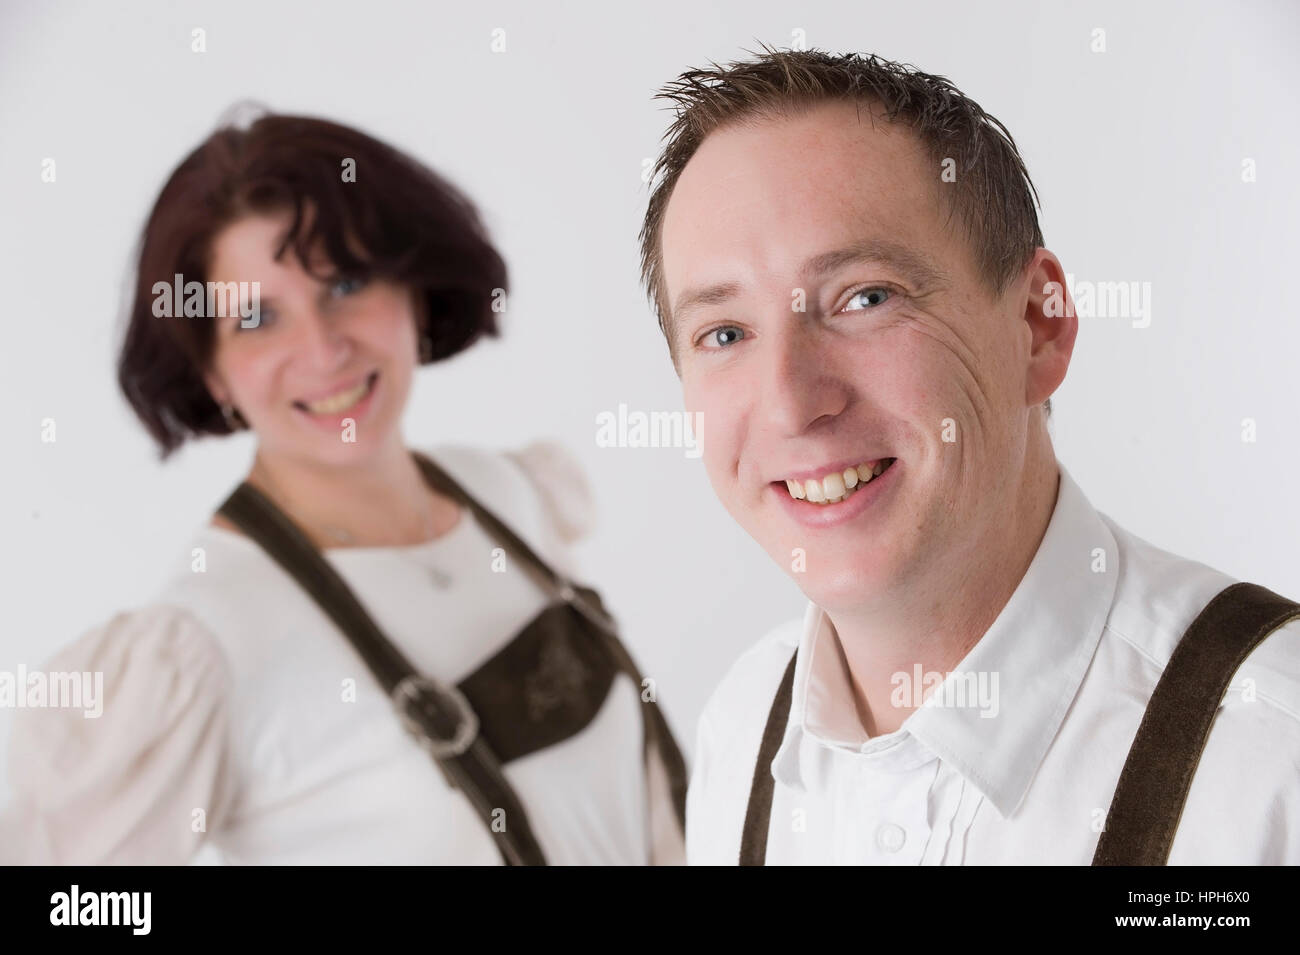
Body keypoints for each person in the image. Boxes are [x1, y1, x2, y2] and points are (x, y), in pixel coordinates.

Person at [637, 47, 1300, 864]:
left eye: (865, 297)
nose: (790, 402)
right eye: (725, 333)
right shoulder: (740, 730)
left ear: (1038, 324)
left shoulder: (1275, 756)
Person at [1, 109, 685, 865]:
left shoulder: (509, 494)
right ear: (212, 370)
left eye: (347, 283)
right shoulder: (201, 644)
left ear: (416, 290)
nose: (322, 348)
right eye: (258, 318)